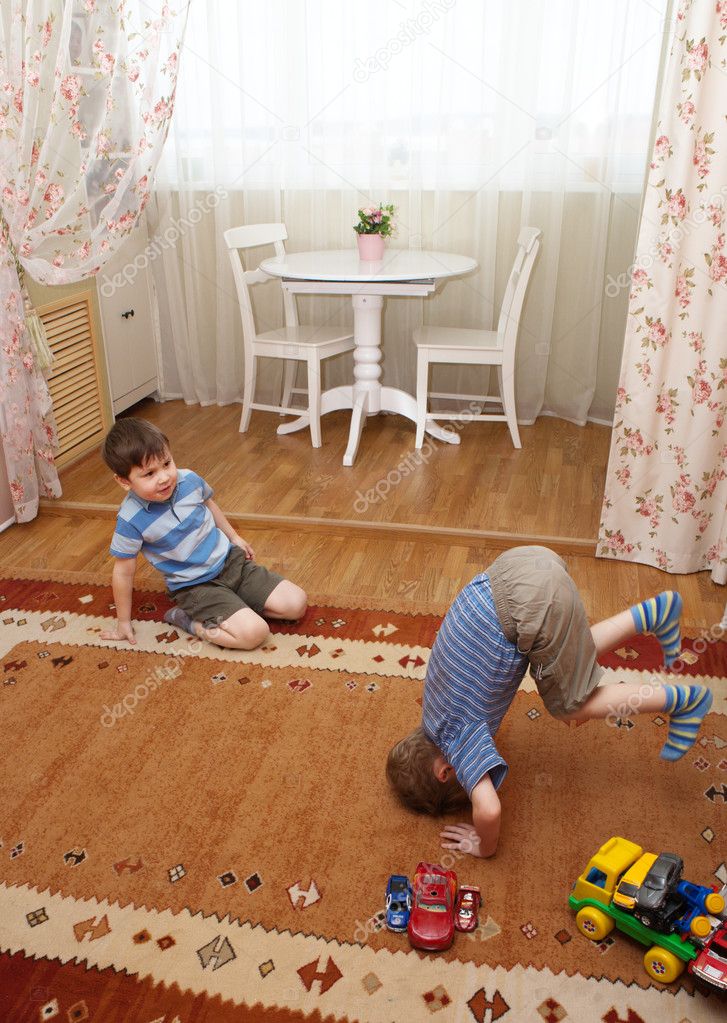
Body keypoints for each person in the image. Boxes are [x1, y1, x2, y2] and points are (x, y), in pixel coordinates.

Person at [386, 546, 713, 859]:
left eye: (463, 778)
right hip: (516, 569)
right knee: (567, 656)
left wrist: (483, 845)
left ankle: (682, 701)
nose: (471, 776)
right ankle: (655, 613)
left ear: (445, 772)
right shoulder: (433, 704)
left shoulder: (454, 740)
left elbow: (489, 809)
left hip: (530, 609)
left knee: (570, 704)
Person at [100, 417, 307, 649]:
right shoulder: (129, 519)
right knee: (255, 634)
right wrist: (123, 622)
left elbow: (209, 504)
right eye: (149, 474)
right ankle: (187, 620)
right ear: (123, 481)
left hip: (230, 563)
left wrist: (234, 537)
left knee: (296, 604)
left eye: (167, 464)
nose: (164, 477)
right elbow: (123, 573)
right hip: (195, 587)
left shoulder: (189, 480)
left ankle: (236, 606)